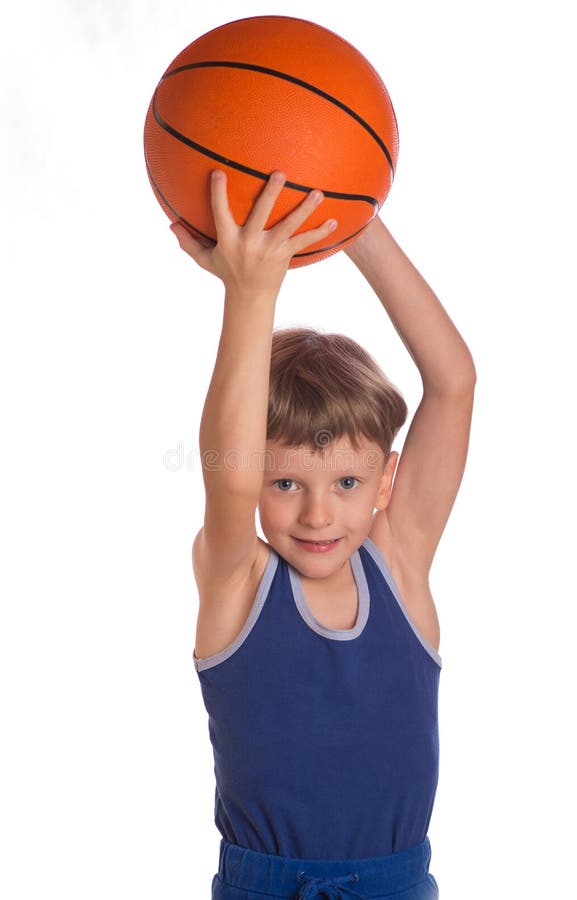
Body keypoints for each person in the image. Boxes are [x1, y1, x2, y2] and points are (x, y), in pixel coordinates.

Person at [171, 169, 476, 899]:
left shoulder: (397, 565)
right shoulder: (234, 580)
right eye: (286, 484)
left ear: (386, 480)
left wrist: (354, 221)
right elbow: (232, 471)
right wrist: (250, 294)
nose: (316, 515)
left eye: (345, 484)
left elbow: (453, 383)